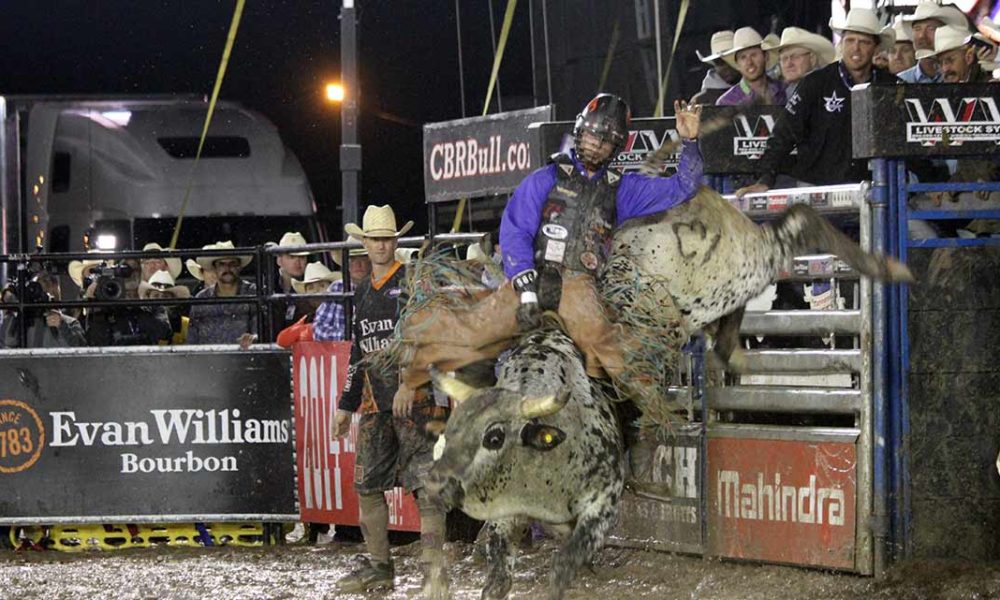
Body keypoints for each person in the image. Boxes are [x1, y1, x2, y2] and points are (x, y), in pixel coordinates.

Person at [398, 94, 703, 401]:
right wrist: (524, 282)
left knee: (610, 354)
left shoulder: (623, 189)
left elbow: (683, 187)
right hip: (529, 277)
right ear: (579, 132)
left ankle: (638, 419)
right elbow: (515, 230)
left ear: (616, 147)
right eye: (592, 135)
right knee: (472, 333)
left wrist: (689, 143)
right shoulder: (544, 179)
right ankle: (412, 380)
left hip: (578, 285)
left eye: (605, 140)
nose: (595, 144)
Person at [332, 205, 448, 594]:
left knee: (425, 486)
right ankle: (381, 566)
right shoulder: (363, 291)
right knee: (367, 485)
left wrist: (408, 382)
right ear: (364, 243)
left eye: (386, 238)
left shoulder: (413, 282)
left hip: (415, 400)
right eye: (375, 239)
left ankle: (433, 574)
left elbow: (429, 336)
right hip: (374, 401)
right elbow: (358, 352)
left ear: (394, 242)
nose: (381, 245)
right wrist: (346, 405)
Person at [736, 8, 899, 197]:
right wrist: (765, 179)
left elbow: (909, 137)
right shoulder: (815, 83)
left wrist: (929, 177)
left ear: (876, 48)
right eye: (850, 41)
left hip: (871, 187)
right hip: (816, 186)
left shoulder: (890, 85)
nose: (856, 48)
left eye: (864, 42)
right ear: (842, 43)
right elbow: (783, 133)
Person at [84, 258, 173, 347]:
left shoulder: (151, 300)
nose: (131, 274)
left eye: (136, 270)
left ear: (141, 273)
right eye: (125, 270)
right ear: (117, 273)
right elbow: (95, 340)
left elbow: (164, 332)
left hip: (147, 357)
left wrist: (136, 308)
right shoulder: (107, 304)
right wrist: (96, 302)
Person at [186, 241, 257, 348]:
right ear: (214, 268)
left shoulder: (253, 293)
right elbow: (192, 340)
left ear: (239, 266)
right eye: (222, 264)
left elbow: (262, 332)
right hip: (208, 361)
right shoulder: (201, 298)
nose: (227, 268)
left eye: (232, 264)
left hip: (245, 360)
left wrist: (253, 339)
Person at [1, 271, 86, 348]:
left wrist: (62, 326)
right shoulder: (20, 320)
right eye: (34, 291)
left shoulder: (70, 322)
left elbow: (80, 351)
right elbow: (6, 348)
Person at [898, 2, 968, 84]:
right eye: (917, 29)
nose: (921, 35)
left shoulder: (960, 75)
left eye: (931, 28)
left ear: (944, 32)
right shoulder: (901, 81)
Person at [275, 262, 341, 348]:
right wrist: (306, 329)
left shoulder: (341, 311)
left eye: (322, 285)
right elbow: (282, 340)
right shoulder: (308, 317)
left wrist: (309, 330)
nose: (316, 291)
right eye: (311, 288)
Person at [716, 27, 787, 106]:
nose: (749, 62)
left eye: (754, 55)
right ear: (737, 64)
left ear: (766, 56)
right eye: (743, 57)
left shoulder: (784, 90)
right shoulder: (727, 102)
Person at [312, 248, 370, 342]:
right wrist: (349, 338)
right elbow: (318, 330)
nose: (358, 264)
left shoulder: (382, 286)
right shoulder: (337, 288)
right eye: (352, 259)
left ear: (370, 261)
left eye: (363, 258)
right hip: (344, 352)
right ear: (346, 264)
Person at [764, 27, 836, 97]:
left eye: (795, 57)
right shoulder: (780, 94)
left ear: (812, 59)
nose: (789, 64)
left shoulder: (826, 89)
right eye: (784, 59)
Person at [268, 231, 314, 333]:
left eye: (302, 257)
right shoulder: (268, 286)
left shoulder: (314, 286)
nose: (297, 262)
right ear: (279, 260)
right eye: (292, 257)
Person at [137, 269, 192, 344]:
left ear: (173, 299)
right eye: (156, 296)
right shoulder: (139, 320)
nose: (161, 300)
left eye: (165, 296)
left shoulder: (184, 323)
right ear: (148, 297)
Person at [691, 30, 740, 105]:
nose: (726, 67)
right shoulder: (701, 100)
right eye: (720, 62)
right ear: (714, 65)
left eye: (731, 60)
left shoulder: (755, 89)